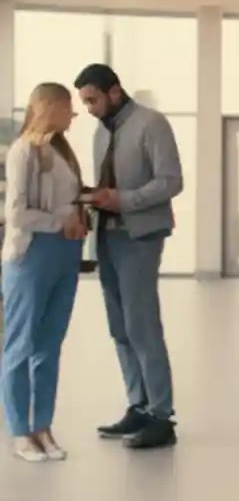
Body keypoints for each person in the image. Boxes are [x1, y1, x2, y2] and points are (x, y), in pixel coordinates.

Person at [74, 64, 184, 450]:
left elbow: (171, 181)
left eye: (92, 99)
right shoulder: (100, 131)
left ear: (114, 91)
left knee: (142, 326)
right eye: (84, 102)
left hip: (140, 237)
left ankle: (161, 415)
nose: (88, 108)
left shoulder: (152, 124)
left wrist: (122, 199)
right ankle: (138, 405)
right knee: (119, 328)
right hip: (107, 236)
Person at [2, 83, 88, 462]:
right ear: (47, 106)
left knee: (49, 346)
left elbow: (67, 200)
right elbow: (16, 214)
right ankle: (20, 432)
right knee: (19, 347)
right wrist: (61, 220)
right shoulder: (23, 152)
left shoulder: (62, 152)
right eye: (68, 106)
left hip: (66, 254)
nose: (74, 114)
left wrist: (78, 214)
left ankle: (43, 428)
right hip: (31, 255)